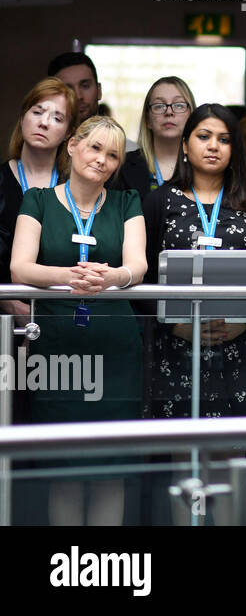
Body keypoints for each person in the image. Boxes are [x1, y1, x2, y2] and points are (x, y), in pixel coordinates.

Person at [9, 116, 146, 526]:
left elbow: (137, 265)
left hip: (116, 350)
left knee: (111, 472)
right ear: (72, 147)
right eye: (94, 148)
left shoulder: (127, 202)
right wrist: (71, 277)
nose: (102, 160)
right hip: (58, 351)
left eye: (112, 155)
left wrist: (112, 277)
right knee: (64, 472)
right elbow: (20, 267)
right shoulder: (37, 200)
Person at [143, 104, 246, 421]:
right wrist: (174, 326)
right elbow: (144, 278)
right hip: (176, 346)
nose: (213, 146)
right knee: (178, 449)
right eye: (204, 136)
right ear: (185, 144)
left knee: (241, 453)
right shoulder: (160, 201)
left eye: (224, 139)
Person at [1, 78, 76, 321]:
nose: (43, 123)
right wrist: (9, 302)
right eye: (37, 112)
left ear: (69, 134)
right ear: (23, 116)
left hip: (62, 315)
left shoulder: (76, 187)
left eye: (57, 118)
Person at [120, 77, 196, 198]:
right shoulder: (121, 168)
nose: (169, 112)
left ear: (192, 116)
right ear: (148, 120)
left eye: (179, 105)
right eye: (159, 106)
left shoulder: (208, 167)